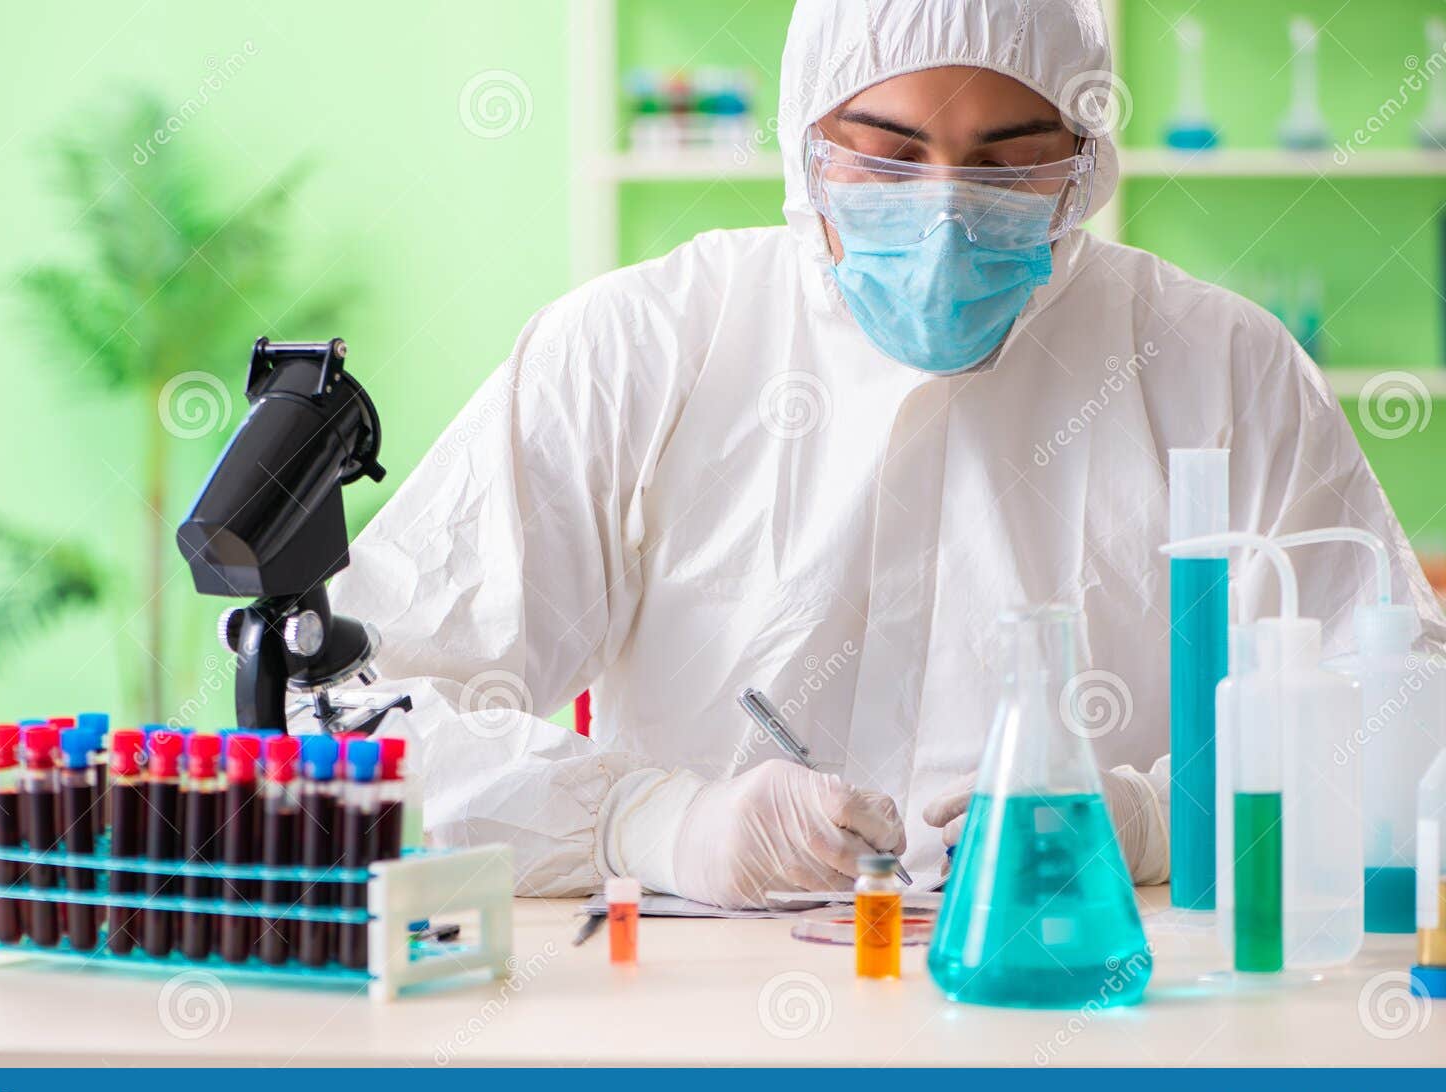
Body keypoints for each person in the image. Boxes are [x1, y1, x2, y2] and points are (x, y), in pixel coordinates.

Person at [324, 0, 1444, 906]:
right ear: (805, 149)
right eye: (887, 156)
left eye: (1006, 165)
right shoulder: (637, 345)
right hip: (695, 1021)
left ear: (1082, 167)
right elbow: (345, 710)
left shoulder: (1217, 364)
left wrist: (1161, 818)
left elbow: (1402, 709)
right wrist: (648, 820)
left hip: (1088, 1007)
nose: (946, 215)